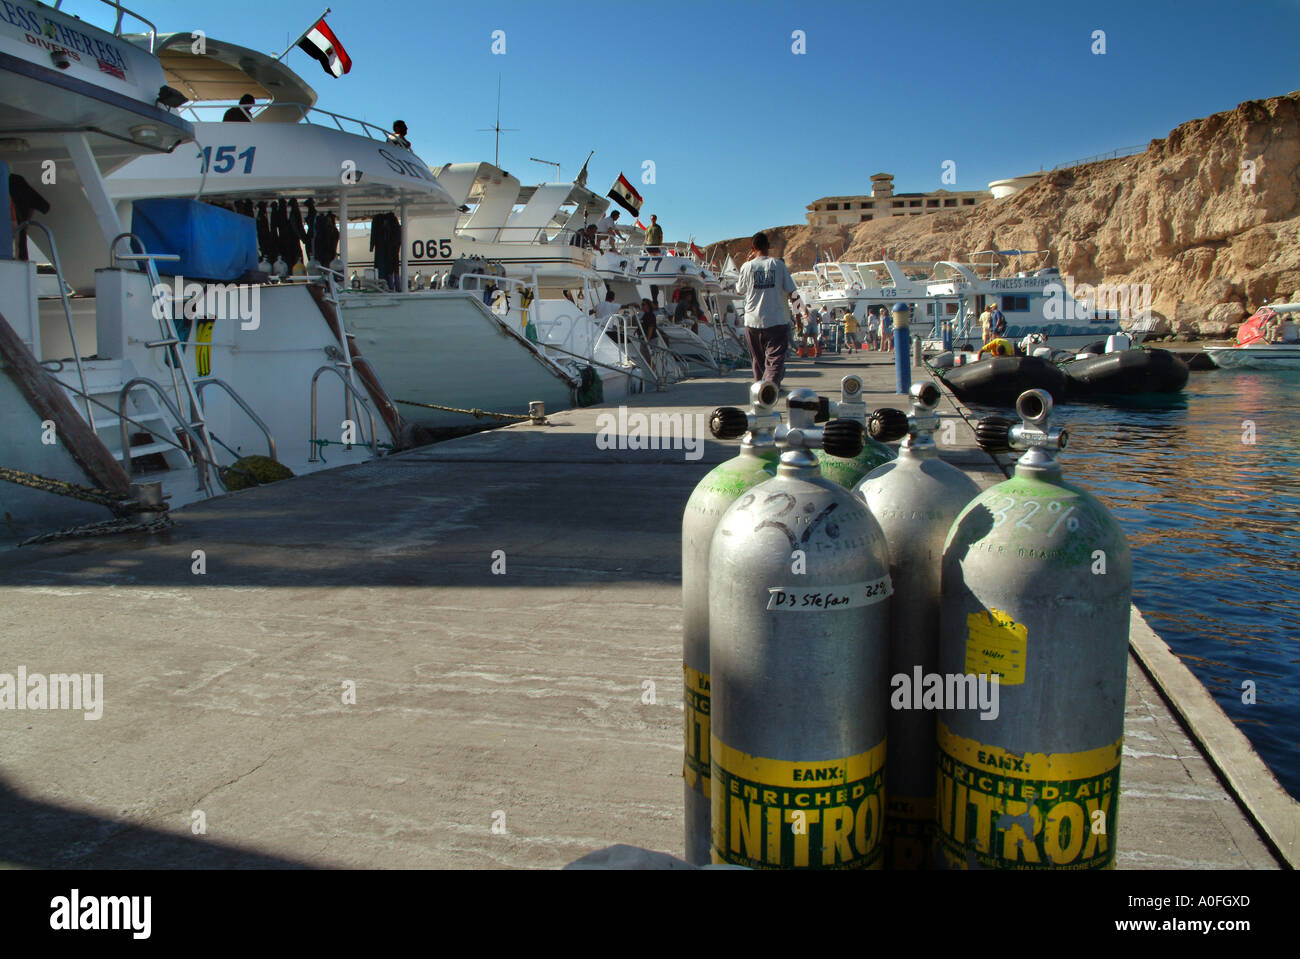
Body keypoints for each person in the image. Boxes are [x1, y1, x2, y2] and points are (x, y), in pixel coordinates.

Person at [736, 231, 797, 386]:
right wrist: (799, 314)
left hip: (752, 321)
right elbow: (792, 292)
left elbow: (739, 290)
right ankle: (768, 390)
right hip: (775, 320)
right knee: (775, 361)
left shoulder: (747, 266)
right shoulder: (778, 265)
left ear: (752, 247)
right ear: (768, 246)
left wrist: (747, 263)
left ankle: (760, 394)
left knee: (757, 361)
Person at [891, 302, 912, 394]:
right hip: (902, 331)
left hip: (900, 331)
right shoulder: (904, 326)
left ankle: (902, 389)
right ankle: (903, 389)